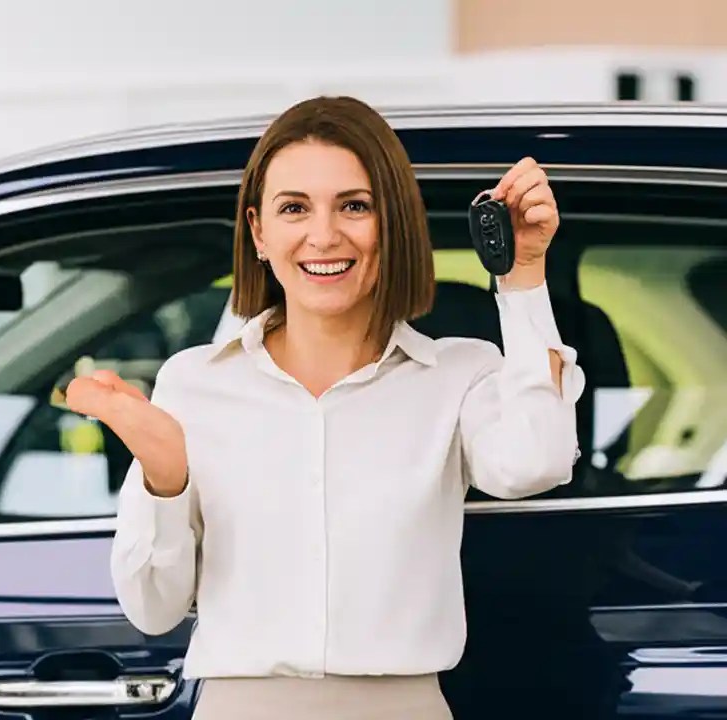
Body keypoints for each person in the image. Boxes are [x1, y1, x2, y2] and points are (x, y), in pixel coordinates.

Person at [65, 96, 584, 720]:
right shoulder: (194, 383)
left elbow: (535, 464)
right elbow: (152, 608)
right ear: (259, 231)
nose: (324, 236)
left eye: (354, 206)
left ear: (390, 223)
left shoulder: (457, 374)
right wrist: (163, 476)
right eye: (294, 209)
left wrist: (523, 273)